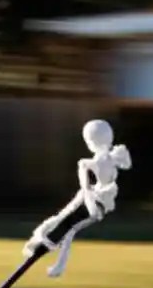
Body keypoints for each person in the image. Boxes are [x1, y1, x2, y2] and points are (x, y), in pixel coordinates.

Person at [25, 119, 132, 277]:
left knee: (67, 228)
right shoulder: (111, 158)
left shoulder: (94, 162)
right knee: (64, 222)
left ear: (92, 141)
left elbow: (86, 186)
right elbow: (122, 166)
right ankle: (41, 243)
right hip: (96, 200)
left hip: (95, 202)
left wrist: (91, 204)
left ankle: (53, 256)